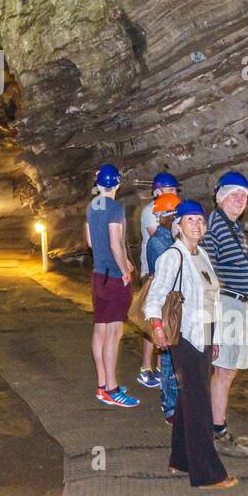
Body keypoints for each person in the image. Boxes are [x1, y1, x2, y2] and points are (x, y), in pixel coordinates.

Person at [144, 200, 236, 488]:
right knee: (199, 403)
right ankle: (208, 473)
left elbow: (212, 300)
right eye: (190, 220)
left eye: (200, 220)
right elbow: (155, 297)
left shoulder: (202, 255)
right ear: (178, 226)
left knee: (188, 399)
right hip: (186, 337)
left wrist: (217, 336)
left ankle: (181, 460)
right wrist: (157, 327)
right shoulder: (174, 256)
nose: (197, 225)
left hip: (205, 334)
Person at [200, 170, 248, 458]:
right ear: (220, 196)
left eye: (244, 195)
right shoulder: (215, 225)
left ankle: (218, 427)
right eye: (234, 194)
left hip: (237, 304)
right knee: (223, 370)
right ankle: (216, 433)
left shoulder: (235, 227)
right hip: (223, 306)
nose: (239, 199)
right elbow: (206, 270)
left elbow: (227, 264)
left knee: (229, 369)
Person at [85, 163, 139, 407]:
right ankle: (113, 389)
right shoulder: (115, 208)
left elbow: (89, 241)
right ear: (117, 183)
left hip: (98, 274)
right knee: (115, 333)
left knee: (100, 330)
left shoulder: (92, 206)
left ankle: (102, 385)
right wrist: (125, 269)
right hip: (114, 277)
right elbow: (116, 243)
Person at [137, 172, 180, 389]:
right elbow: (161, 237)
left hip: (166, 272)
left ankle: (164, 369)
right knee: (151, 320)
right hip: (151, 271)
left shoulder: (173, 209)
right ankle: (147, 367)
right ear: (158, 191)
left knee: (166, 321)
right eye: (170, 189)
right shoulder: (149, 212)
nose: (174, 193)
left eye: (175, 190)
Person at [144, 193, 181, 421]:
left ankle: (177, 403)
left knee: (176, 356)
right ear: (166, 216)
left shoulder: (170, 238)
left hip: (175, 304)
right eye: (176, 215)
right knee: (168, 357)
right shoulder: (159, 241)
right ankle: (170, 407)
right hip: (167, 305)